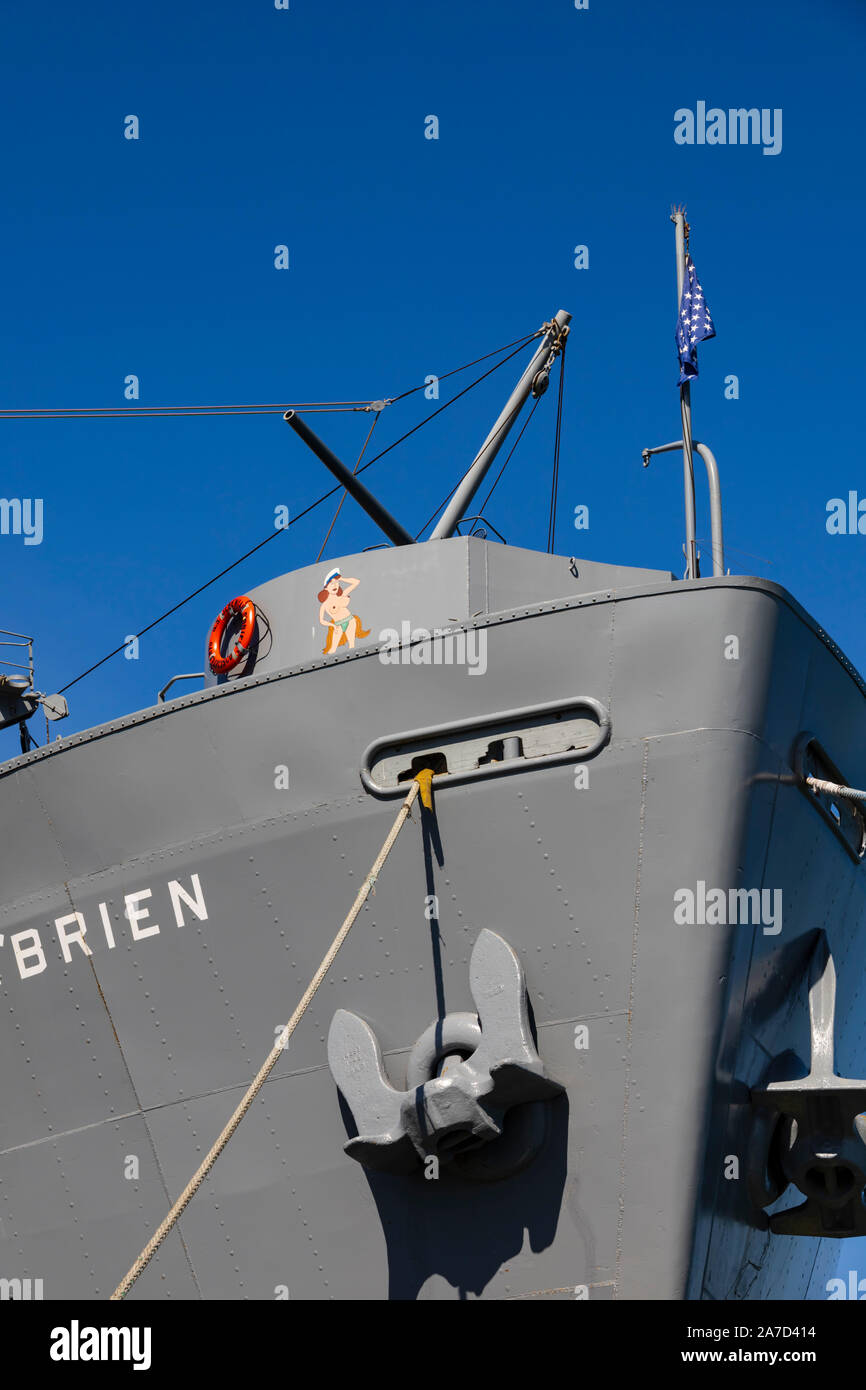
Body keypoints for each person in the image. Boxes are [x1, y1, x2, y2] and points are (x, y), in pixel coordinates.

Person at [317, 569, 370, 654]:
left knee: (352, 647)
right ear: (326, 587)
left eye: (336, 583)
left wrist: (341, 579)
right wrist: (332, 625)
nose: (335, 585)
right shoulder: (324, 605)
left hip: (350, 621)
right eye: (331, 583)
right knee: (332, 650)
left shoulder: (342, 595)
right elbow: (321, 620)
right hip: (338, 625)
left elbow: (356, 582)